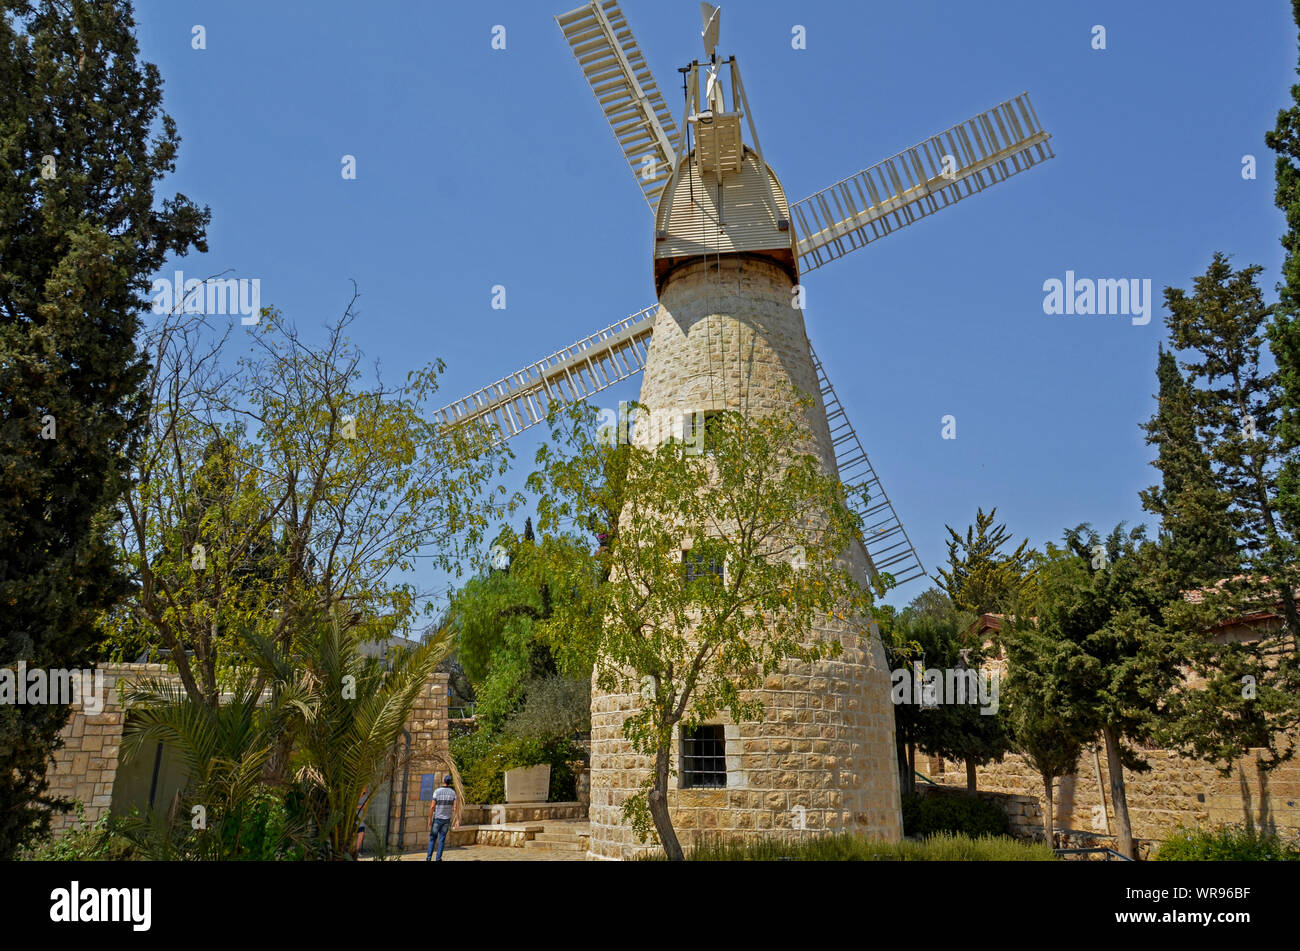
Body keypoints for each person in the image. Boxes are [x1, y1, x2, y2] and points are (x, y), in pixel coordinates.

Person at [426, 773, 460, 861]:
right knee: (442, 840)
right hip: (446, 820)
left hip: (437, 819)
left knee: (432, 838)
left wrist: (429, 819)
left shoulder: (437, 791)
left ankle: (428, 858)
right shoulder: (453, 793)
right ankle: (438, 859)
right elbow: (455, 807)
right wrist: (457, 820)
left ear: (443, 781)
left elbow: (432, 806)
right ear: (450, 783)